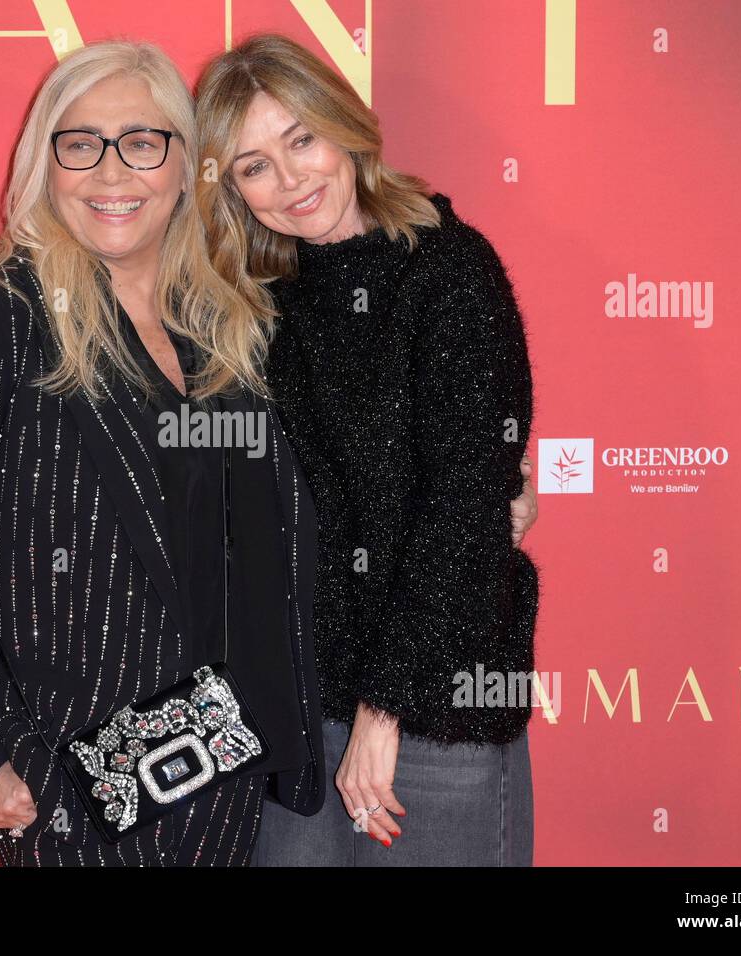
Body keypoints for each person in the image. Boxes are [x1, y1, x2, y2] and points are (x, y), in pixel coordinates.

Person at [0, 40, 325, 866]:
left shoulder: (225, 319)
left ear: (186, 168)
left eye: (142, 143)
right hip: (81, 781)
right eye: (82, 144)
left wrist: (481, 477)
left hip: (241, 757)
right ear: (46, 162)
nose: (113, 174)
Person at [195, 33, 542, 866]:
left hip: (437, 705)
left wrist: (384, 711)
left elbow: (463, 508)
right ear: (232, 189)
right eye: (253, 166)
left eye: (300, 139)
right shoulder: (253, 313)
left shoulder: (448, 270)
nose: (290, 180)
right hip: (297, 710)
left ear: (342, 126)